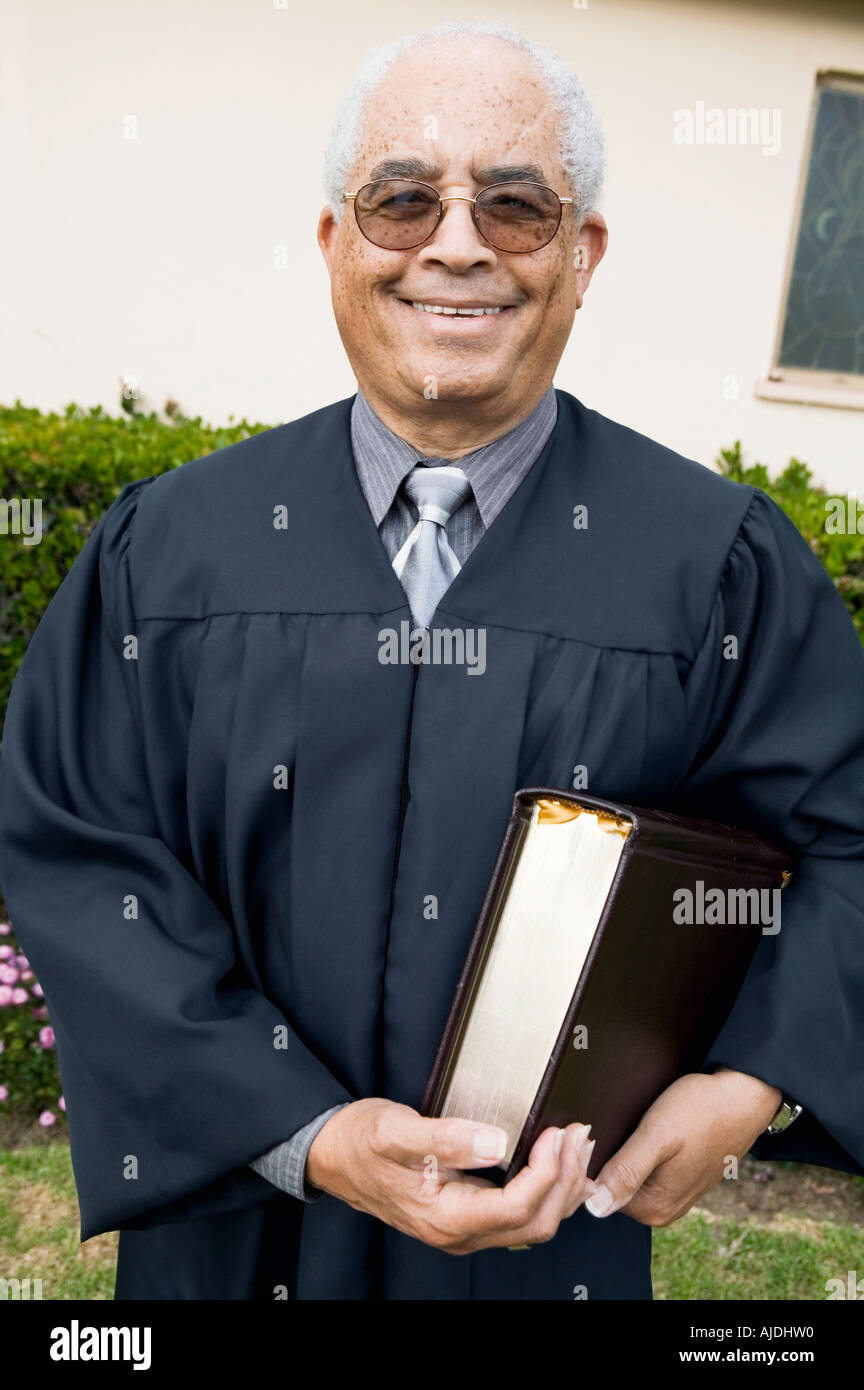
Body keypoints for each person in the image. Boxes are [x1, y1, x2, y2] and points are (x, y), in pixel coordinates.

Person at [1, 20, 862, 1302]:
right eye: (403, 199)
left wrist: (753, 1080)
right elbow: (81, 854)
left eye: (515, 207)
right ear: (334, 243)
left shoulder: (716, 562)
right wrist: (309, 1132)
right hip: (237, 1240)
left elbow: (843, 843)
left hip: (548, 1243)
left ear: (585, 254)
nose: (456, 243)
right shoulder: (168, 554)